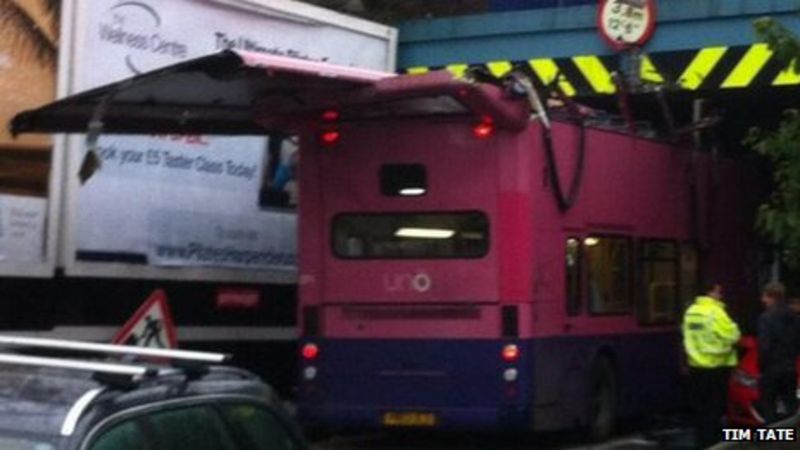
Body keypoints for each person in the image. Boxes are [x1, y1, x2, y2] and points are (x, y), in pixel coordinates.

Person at [682, 282, 741, 448]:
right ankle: (714, 443)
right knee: (714, 409)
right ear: (710, 292)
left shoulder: (690, 312)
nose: (721, 295)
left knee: (700, 409)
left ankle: (701, 442)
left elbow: (687, 338)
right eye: (718, 292)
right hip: (717, 367)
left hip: (696, 367)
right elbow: (733, 335)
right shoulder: (716, 312)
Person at [757, 282, 800, 423]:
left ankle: (772, 440)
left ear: (772, 298)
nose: (763, 300)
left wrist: (762, 366)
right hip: (790, 368)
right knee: (791, 407)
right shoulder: (794, 317)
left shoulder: (766, 318)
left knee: (769, 408)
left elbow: (765, 347)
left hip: (772, 370)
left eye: (765, 296)